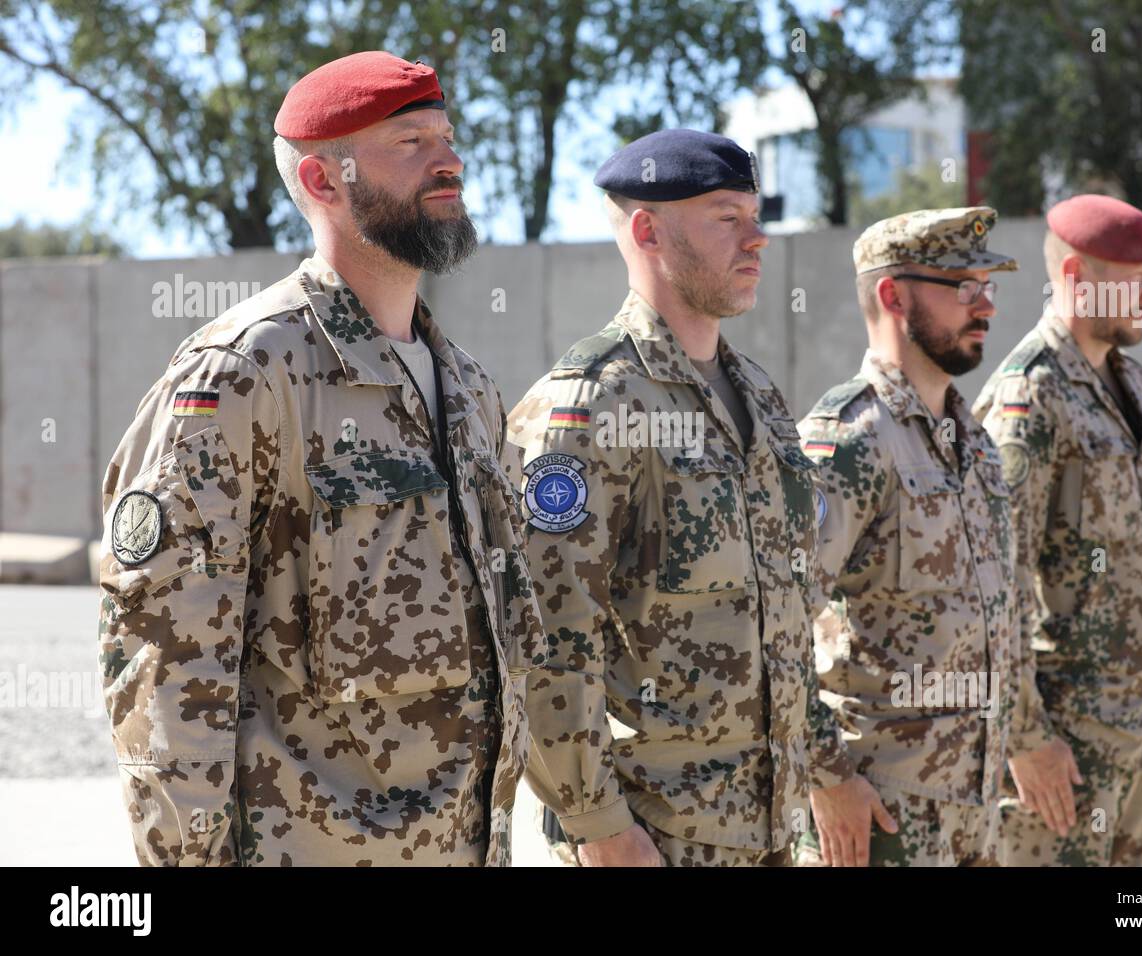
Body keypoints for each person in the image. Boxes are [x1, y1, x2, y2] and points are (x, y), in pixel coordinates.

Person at [96, 51, 545, 866]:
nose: (450, 161)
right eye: (409, 140)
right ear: (322, 178)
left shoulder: (471, 387)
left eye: (446, 136)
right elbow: (164, 653)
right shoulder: (246, 373)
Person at [507, 129, 870, 867]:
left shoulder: (760, 397)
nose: (758, 239)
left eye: (755, 215)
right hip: (656, 838)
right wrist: (599, 825)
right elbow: (547, 634)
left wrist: (825, 768)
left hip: (769, 827)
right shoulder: (592, 403)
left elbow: (788, 611)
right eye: (725, 218)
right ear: (648, 230)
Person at [796, 207, 1020, 865]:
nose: (985, 308)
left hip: (972, 819)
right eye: (963, 288)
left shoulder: (973, 440)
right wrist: (828, 776)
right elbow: (773, 623)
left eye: (988, 287)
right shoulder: (849, 440)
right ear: (893, 295)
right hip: (880, 822)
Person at [973, 193, 1142, 866]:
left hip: (1136, 738)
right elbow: (993, 586)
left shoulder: (1136, 386)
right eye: (1136, 282)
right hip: (1060, 754)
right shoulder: (1029, 399)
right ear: (1075, 279)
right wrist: (1024, 739)